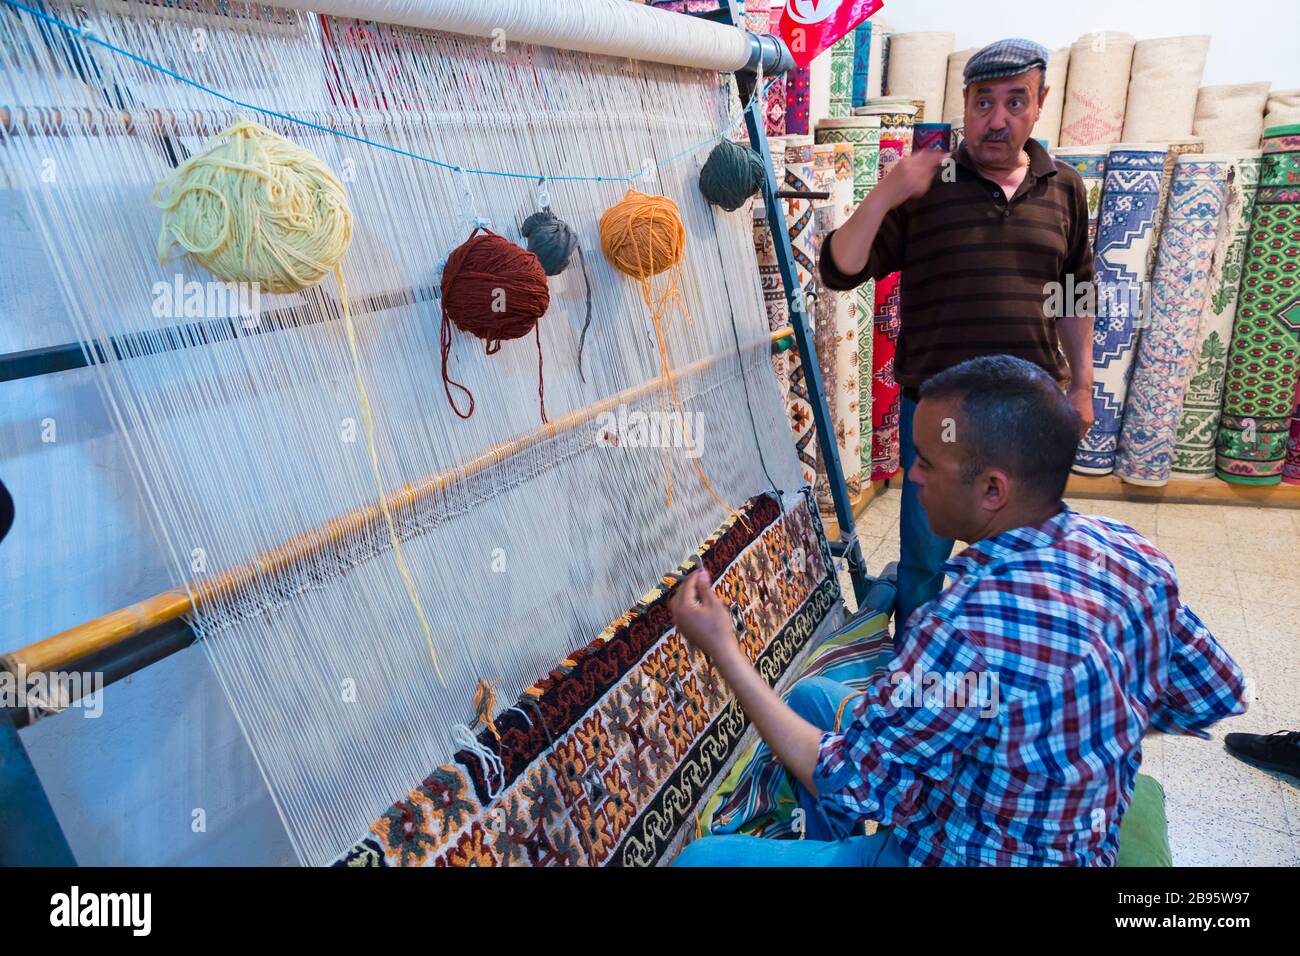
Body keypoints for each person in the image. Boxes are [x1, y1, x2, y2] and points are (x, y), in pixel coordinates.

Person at [670, 356, 1246, 866]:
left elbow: (845, 778)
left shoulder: (967, 627)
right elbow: (1212, 693)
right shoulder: (1131, 554)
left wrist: (723, 648)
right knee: (811, 699)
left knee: (702, 859)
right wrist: (1059, 721)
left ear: (993, 489)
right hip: (1079, 844)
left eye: (925, 462)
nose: (911, 475)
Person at [819, 39, 1097, 627]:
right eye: (983, 102)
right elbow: (838, 270)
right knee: (925, 555)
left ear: (1040, 103)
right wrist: (890, 188)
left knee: (1019, 556)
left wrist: (1082, 388)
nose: (998, 119)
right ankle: (918, 681)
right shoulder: (930, 184)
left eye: (1015, 101)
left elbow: (1074, 291)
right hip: (941, 407)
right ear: (964, 104)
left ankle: (1004, 666)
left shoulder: (1065, 186)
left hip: (1027, 410)